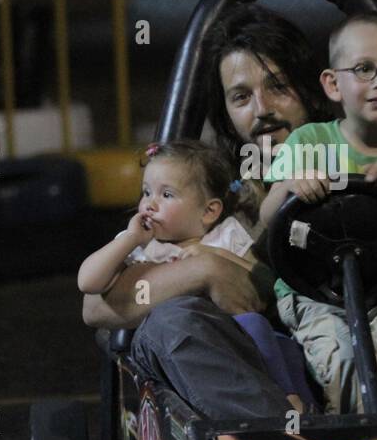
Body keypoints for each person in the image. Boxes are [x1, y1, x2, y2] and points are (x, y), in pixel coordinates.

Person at [84, 3, 377, 418]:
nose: (262, 110)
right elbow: (95, 305)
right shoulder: (203, 190)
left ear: (315, 89)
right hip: (272, 380)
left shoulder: (365, 159)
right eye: (242, 97)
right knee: (170, 322)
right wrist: (204, 269)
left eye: (278, 87)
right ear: (226, 114)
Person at [260, 14, 377, 412]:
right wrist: (291, 185)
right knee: (342, 357)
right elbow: (266, 221)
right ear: (332, 84)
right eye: (363, 69)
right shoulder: (308, 142)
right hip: (316, 295)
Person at [77, 140, 313, 411]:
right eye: (145, 192)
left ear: (209, 211)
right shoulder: (141, 246)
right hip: (187, 351)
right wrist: (129, 239)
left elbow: (258, 282)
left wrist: (211, 257)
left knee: (279, 341)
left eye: (166, 195)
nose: (149, 205)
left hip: (241, 341)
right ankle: (284, 406)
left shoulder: (224, 236)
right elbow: (89, 283)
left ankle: (303, 411)